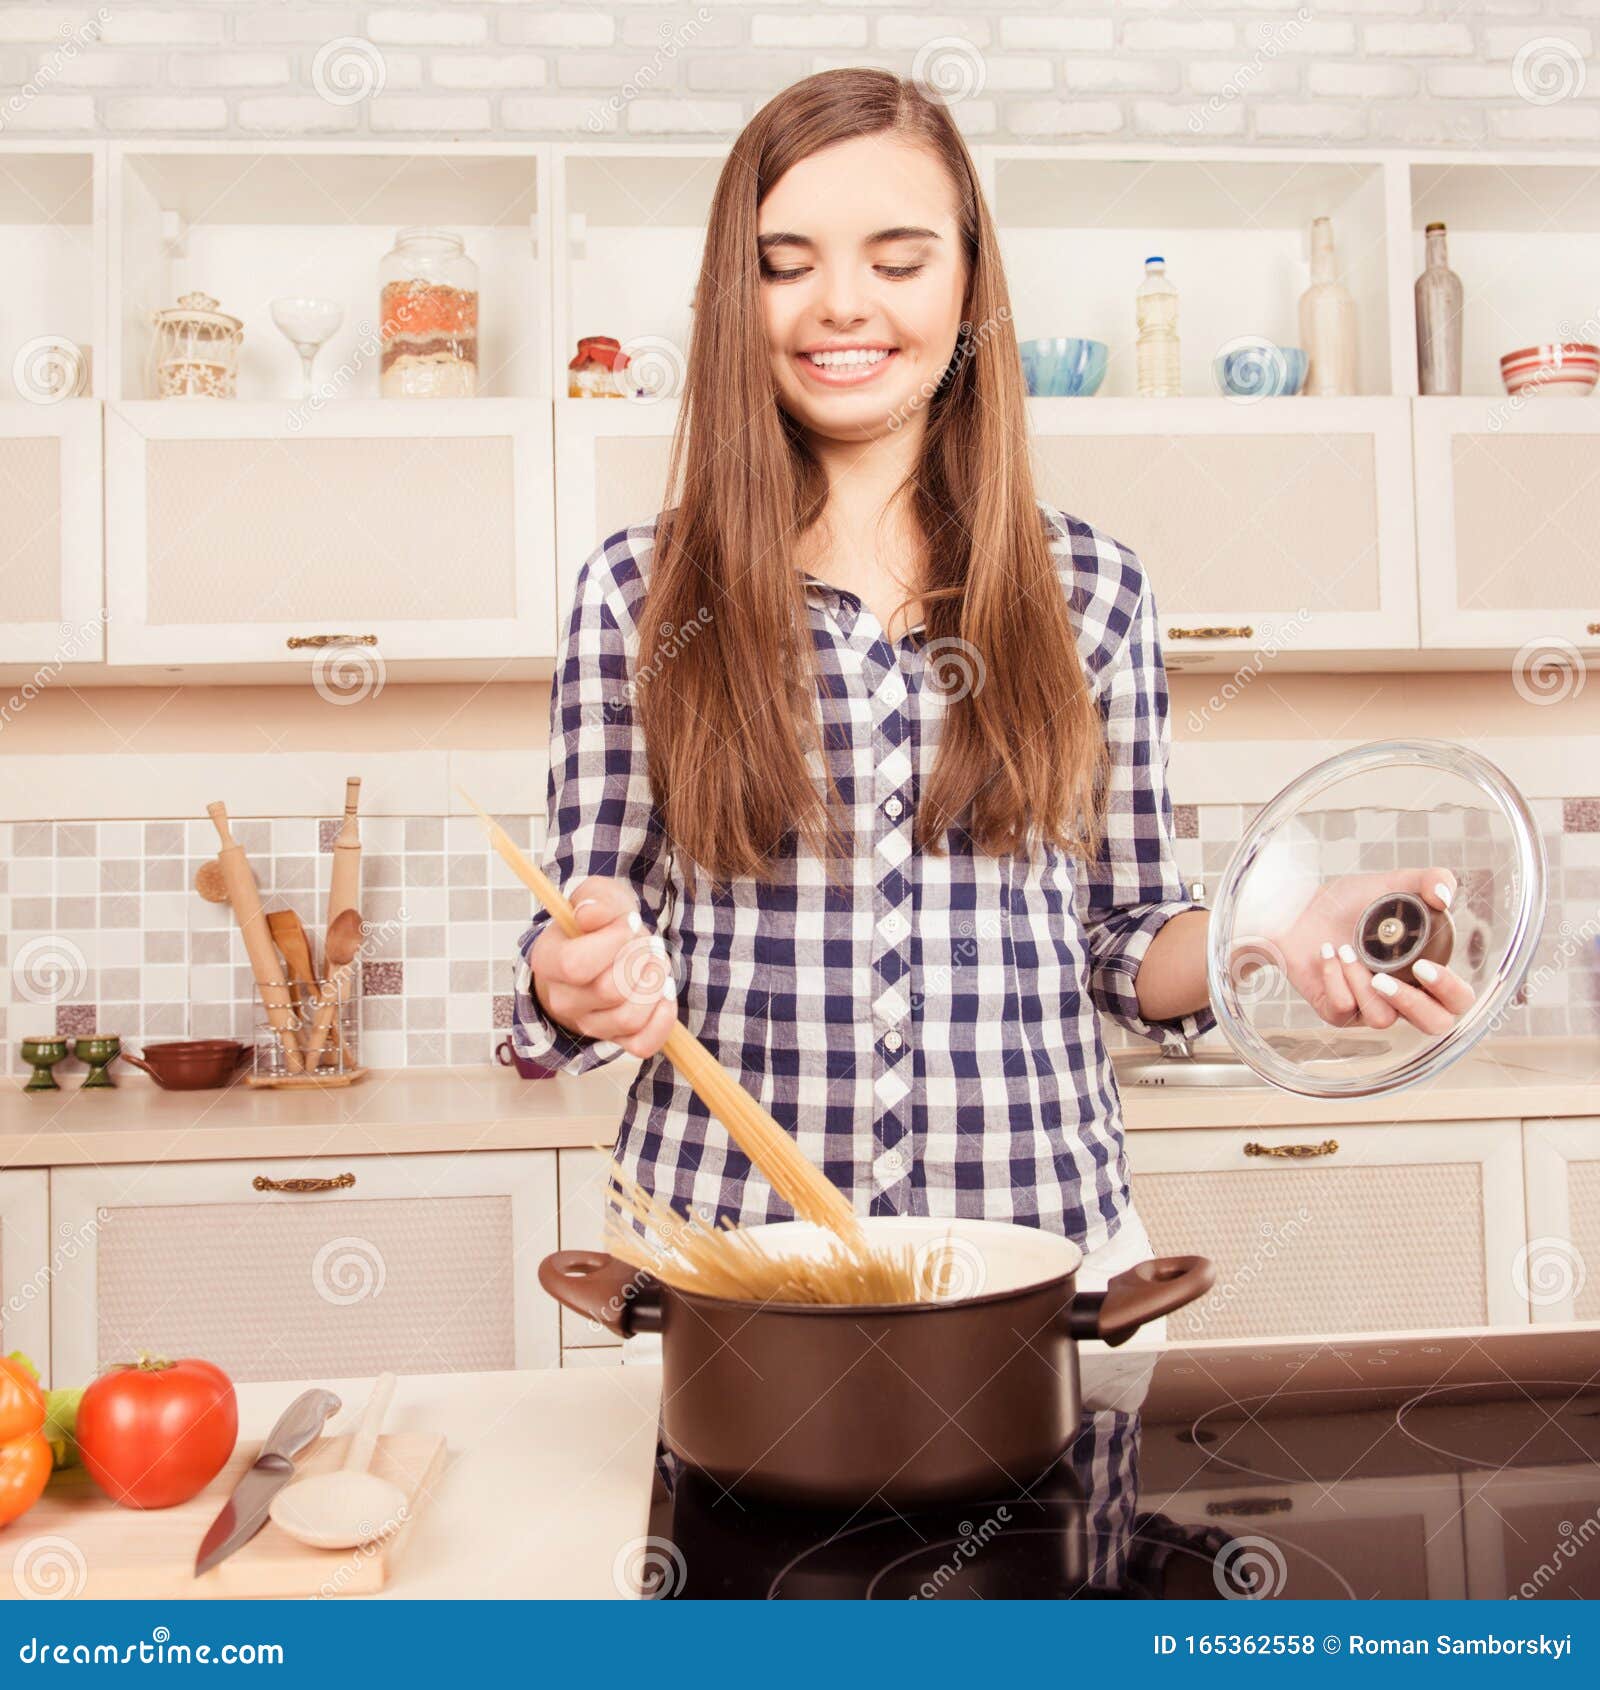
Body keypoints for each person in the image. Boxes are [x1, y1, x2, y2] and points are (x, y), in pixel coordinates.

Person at [512, 69, 1473, 1347]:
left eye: (898, 260)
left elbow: (1125, 936)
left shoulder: (1091, 589)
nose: (840, 303)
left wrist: (1278, 925)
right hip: (737, 1269)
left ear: (969, 283)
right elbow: (572, 949)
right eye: (783, 263)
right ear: (729, 296)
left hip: (1043, 1265)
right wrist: (581, 971)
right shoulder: (640, 593)